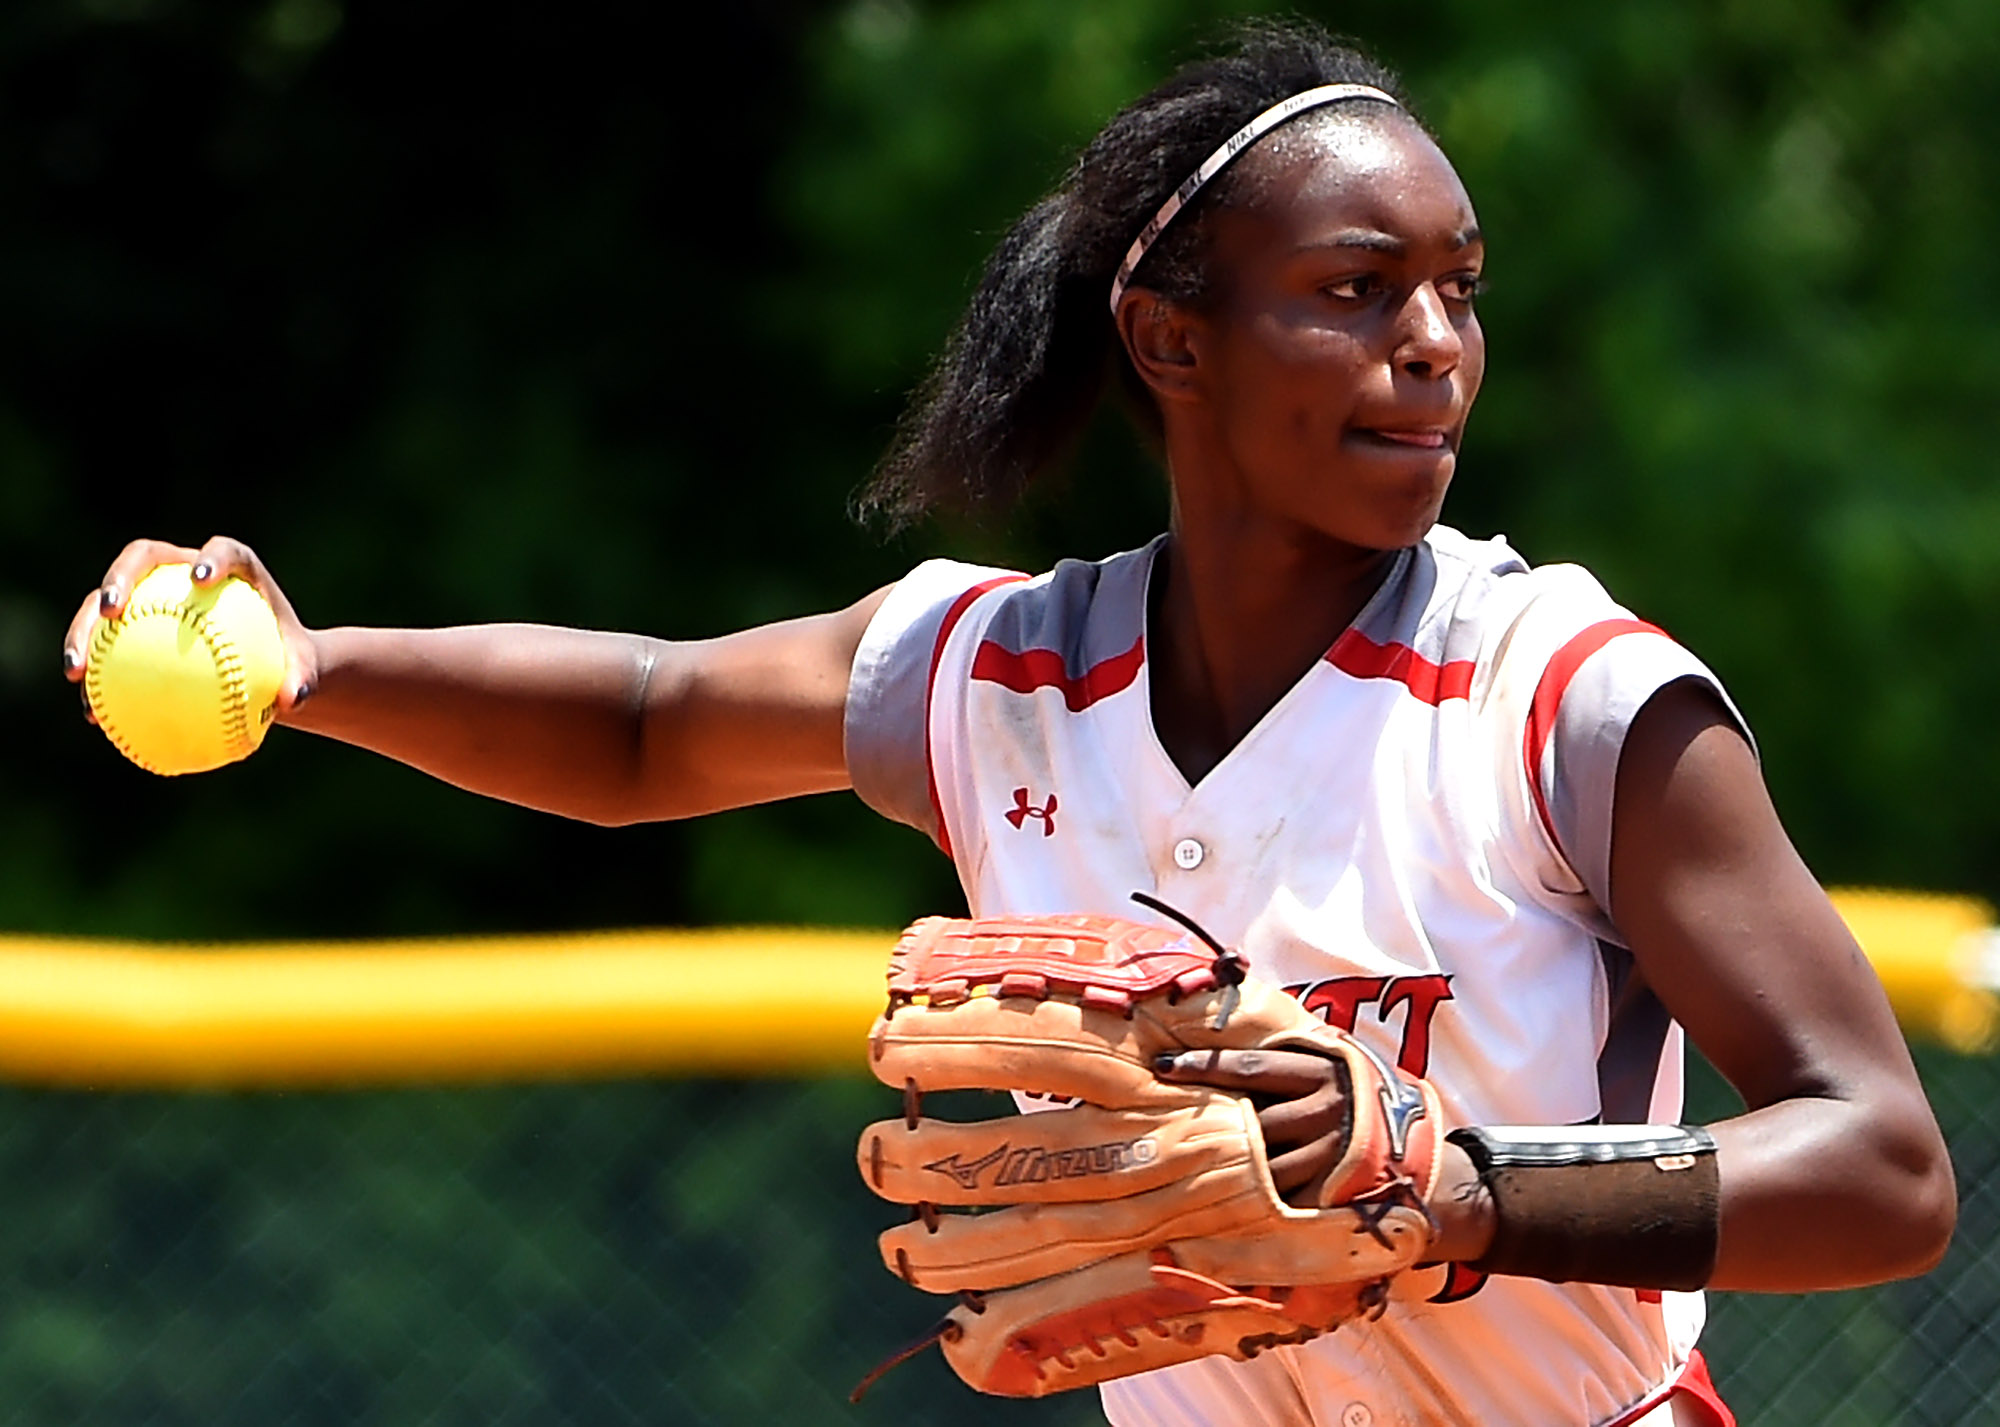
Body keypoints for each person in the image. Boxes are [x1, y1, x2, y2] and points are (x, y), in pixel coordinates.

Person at [62, 21, 1952, 1427]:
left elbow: (1885, 1169)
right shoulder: (1005, 682)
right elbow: (646, 723)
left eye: (1458, 290)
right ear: (1171, 338)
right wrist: (313, 667)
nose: (1434, 344)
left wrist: (1462, 1192)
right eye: (1356, 291)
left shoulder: (1564, 697)